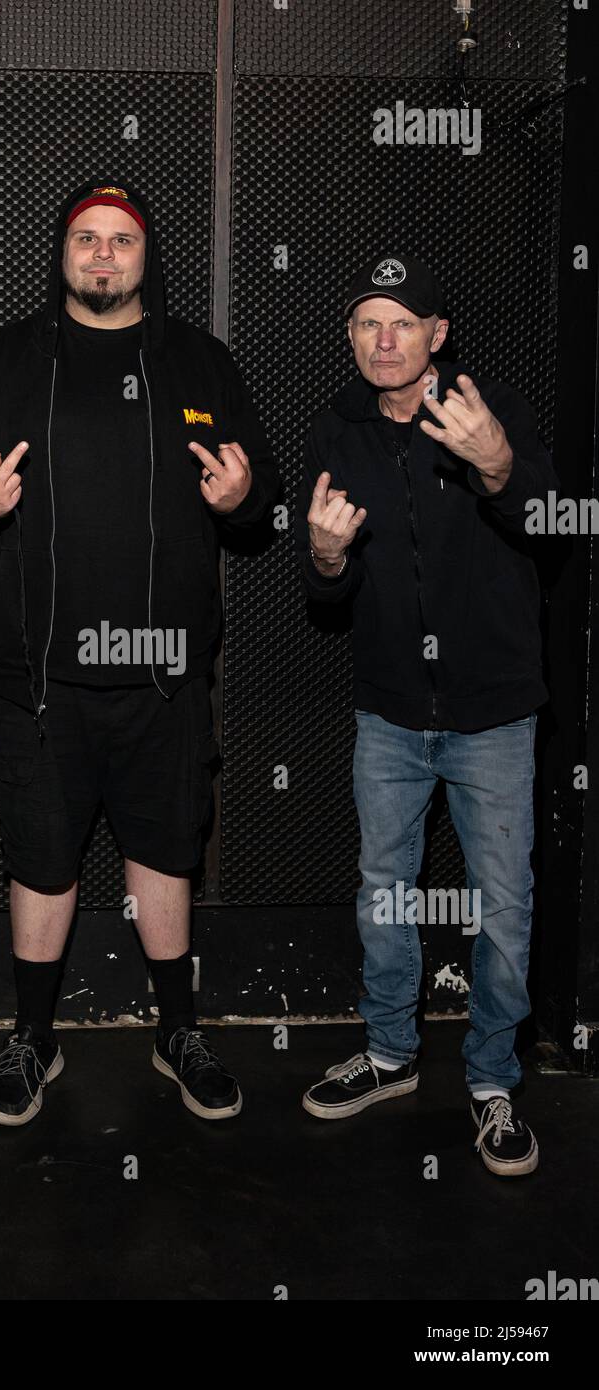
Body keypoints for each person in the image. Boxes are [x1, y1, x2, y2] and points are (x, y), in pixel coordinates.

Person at [0, 179, 279, 1125]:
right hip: (40, 682)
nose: (104, 255)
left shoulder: (201, 362)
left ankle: (178, 1031)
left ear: (144, 254)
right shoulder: (2, 362)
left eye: (122, 240)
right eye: (87, 238)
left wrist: (241, 497)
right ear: (63, 253)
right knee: (42, 862)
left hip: (165, 678)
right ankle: (34, 1039)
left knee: (166, 854)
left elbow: (263, 497)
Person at [296, 253, 559, 1177]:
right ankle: (391, 1055)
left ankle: (493, 1083)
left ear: (438, 335)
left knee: (505, 908)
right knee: (386, 893)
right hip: (391, 715)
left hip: (493, 714)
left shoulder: (491, 410)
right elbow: (325, 594)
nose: (385, 340)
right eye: (368, 322)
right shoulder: (339, 429)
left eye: (404, 322)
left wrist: (497, 466)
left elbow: (555, 527)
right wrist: (327, 560)